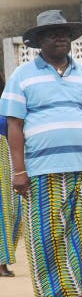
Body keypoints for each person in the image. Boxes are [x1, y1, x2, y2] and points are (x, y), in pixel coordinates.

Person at [0, 10, 82, 297]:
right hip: (40, 170)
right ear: (39, 41)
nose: (60, 37)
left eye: (63, 32)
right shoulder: (22, 76)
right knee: (46, 238)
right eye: (51, 34)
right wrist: (19, 170)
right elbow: (14, 125)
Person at [0, 73, 21, 278]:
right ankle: (1, 263)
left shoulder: (8, 102)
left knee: (13, 211)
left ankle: (3, 259)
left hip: (8, 160)